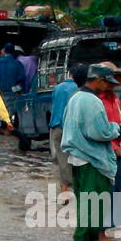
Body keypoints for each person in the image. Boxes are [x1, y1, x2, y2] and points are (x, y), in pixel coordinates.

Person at [61, 70, 121, 241]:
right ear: (98, 80)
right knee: (94, 204)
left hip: (78, 157)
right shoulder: (92, 101)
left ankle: (86, 240)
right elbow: (100, 132)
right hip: (91, 159)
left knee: (86, 202)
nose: (109, 87)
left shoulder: (75, 97)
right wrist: (119, 129)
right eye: (107, 83)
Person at [91, 63, 121, 233]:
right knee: (105, 194)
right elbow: (99, 128)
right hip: (106, 152)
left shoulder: (114, 99)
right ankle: (99, 233)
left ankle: (104, 231)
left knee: (118, 193)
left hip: (117, 151)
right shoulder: (97, 101)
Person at [48, 63, 86, 191]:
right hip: (75, 130)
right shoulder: (81, 89)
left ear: (69, 74)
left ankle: (64, 192)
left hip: (58, 128)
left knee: (62, 161)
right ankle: (78, 191)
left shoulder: (57, 88)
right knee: (79, 160)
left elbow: (54, 106)